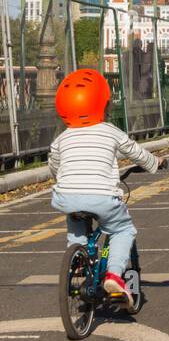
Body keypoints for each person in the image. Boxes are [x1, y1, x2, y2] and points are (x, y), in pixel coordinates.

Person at [49, 68, 162, 303]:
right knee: (123, 230)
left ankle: (77, 258)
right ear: (103, 103)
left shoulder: (62, 138)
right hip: (101, 196)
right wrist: (155, 163)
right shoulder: (110, 131)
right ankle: (114, 275)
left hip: (66, 194)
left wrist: (60, 180)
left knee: (75, 217)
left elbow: (54, 165)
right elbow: (135, 152)